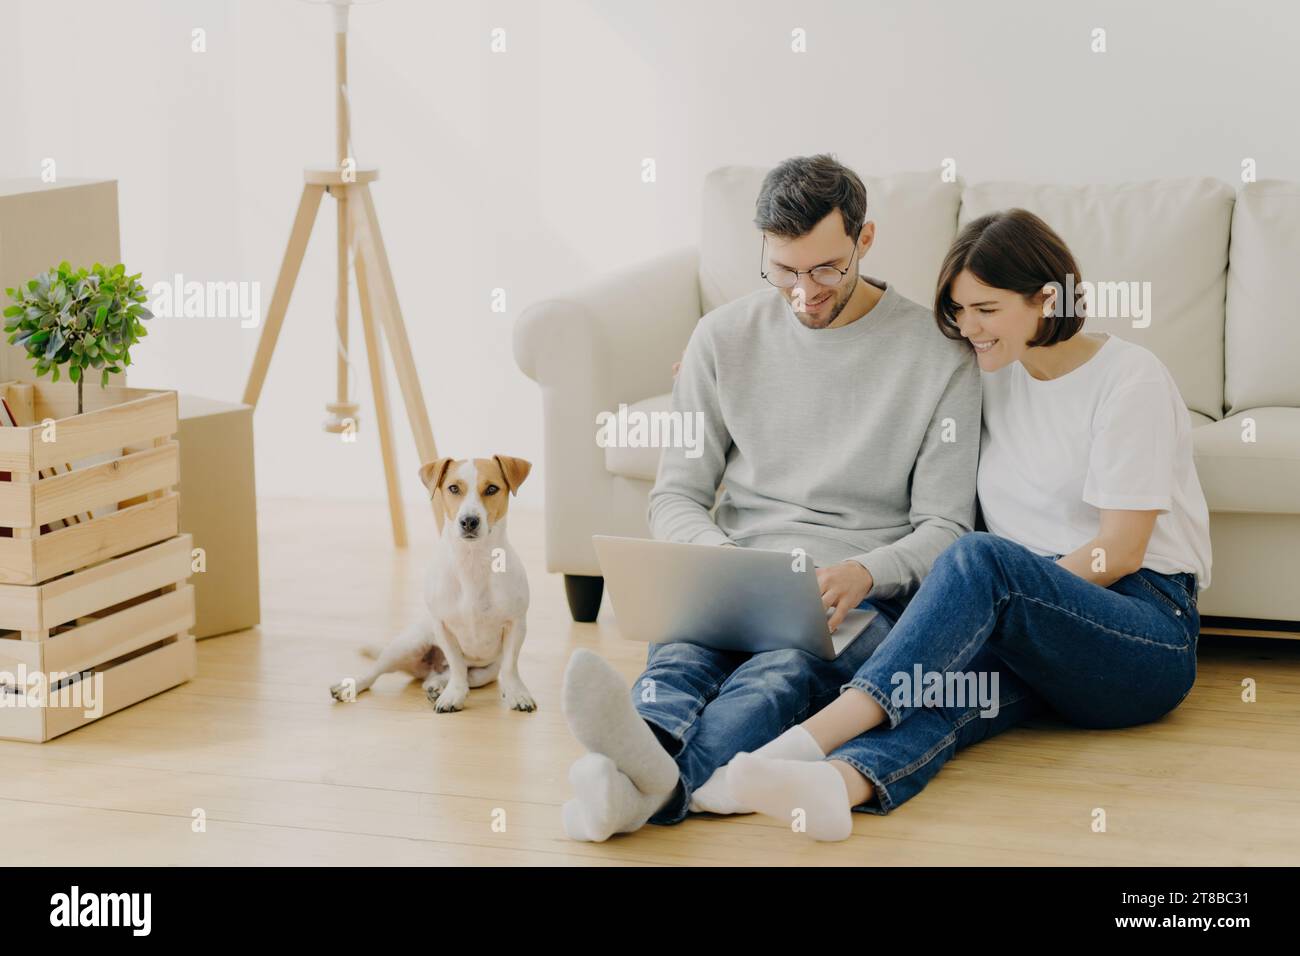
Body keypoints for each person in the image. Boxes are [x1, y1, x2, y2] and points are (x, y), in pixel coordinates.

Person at [712, 208, 1211, 840]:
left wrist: (1009, 595)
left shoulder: (1129, 378)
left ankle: (803, 742)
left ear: (1046, 298)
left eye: (987, 309)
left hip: (1144, 631)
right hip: (1033, 623)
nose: (968, 328)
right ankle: (836, 788)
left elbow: (1121, 551)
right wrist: (729, 375)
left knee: (981, 560)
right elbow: (869, 382)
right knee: (944, 696)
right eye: (958, 310)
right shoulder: (986, 372)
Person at [558, 154, 982, 841]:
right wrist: (720, 559)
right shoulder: (721, 337)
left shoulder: (938, 353)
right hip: (735, 567)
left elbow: (947, 527)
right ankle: (653, 762)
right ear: (762, 249)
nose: (804, 293)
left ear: (864, 241)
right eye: (784, 270)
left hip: (852, 589)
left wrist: (866, 572)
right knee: (680, 658)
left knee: (778, 674)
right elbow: (676, 496)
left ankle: (640, 785)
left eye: (825, 270)